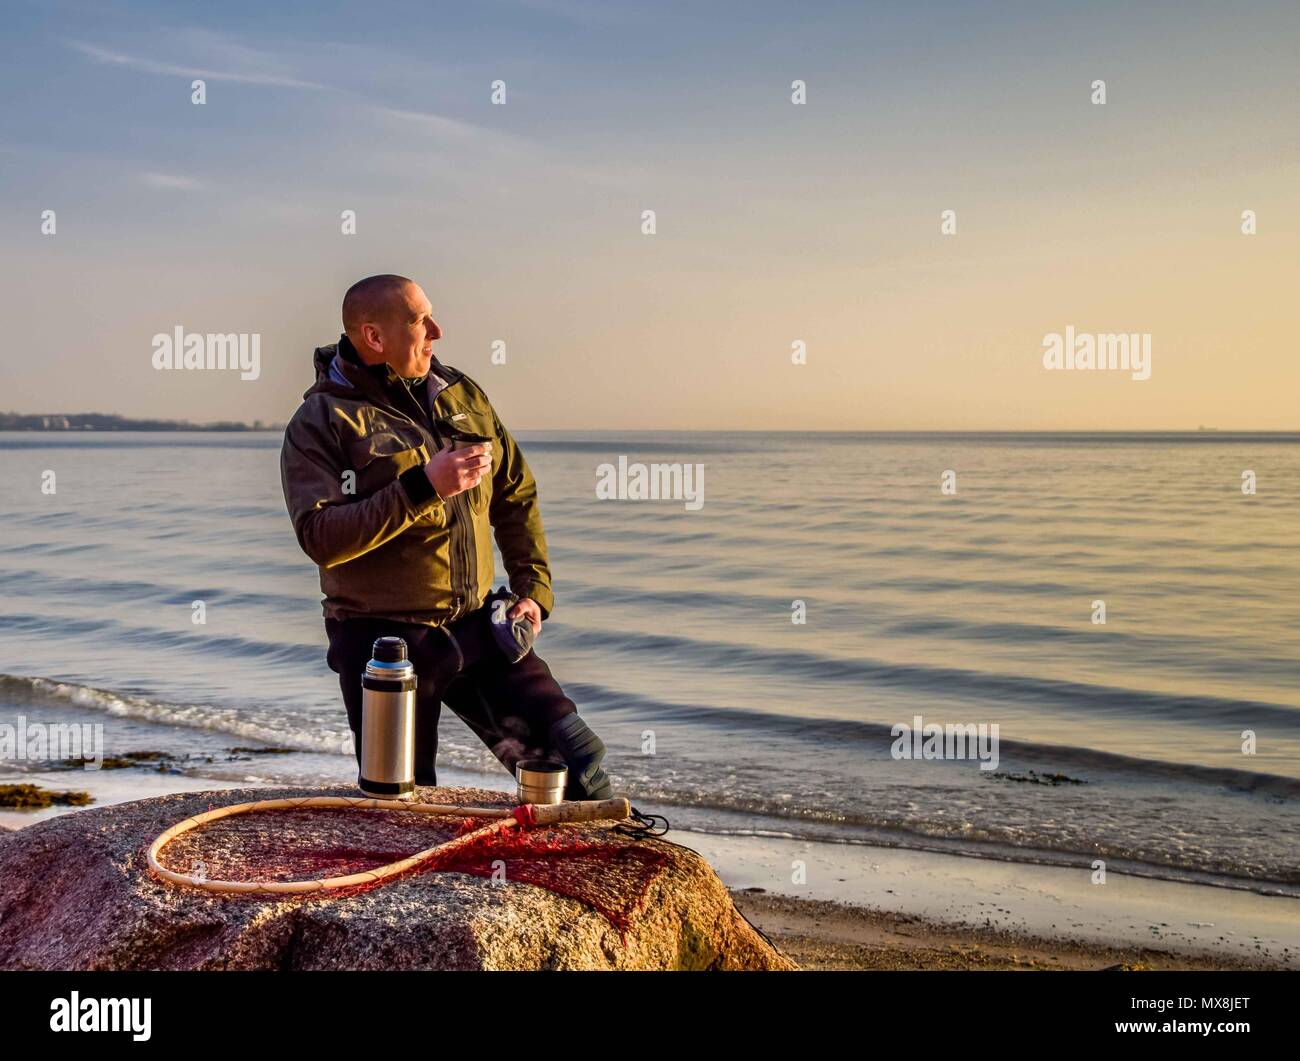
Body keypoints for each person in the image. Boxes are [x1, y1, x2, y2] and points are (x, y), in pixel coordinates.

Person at [279, 274, 613, 800]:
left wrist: (534, 590)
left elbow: (514, 491)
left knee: (573, 762)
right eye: (419, 320)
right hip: (384, 643)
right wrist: (422, 487)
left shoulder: (462, 394)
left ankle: (575, 874)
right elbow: (321, 536)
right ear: (373, 336)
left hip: (479, 626)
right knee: (404, 802)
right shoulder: (321, 421)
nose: (437, 329)